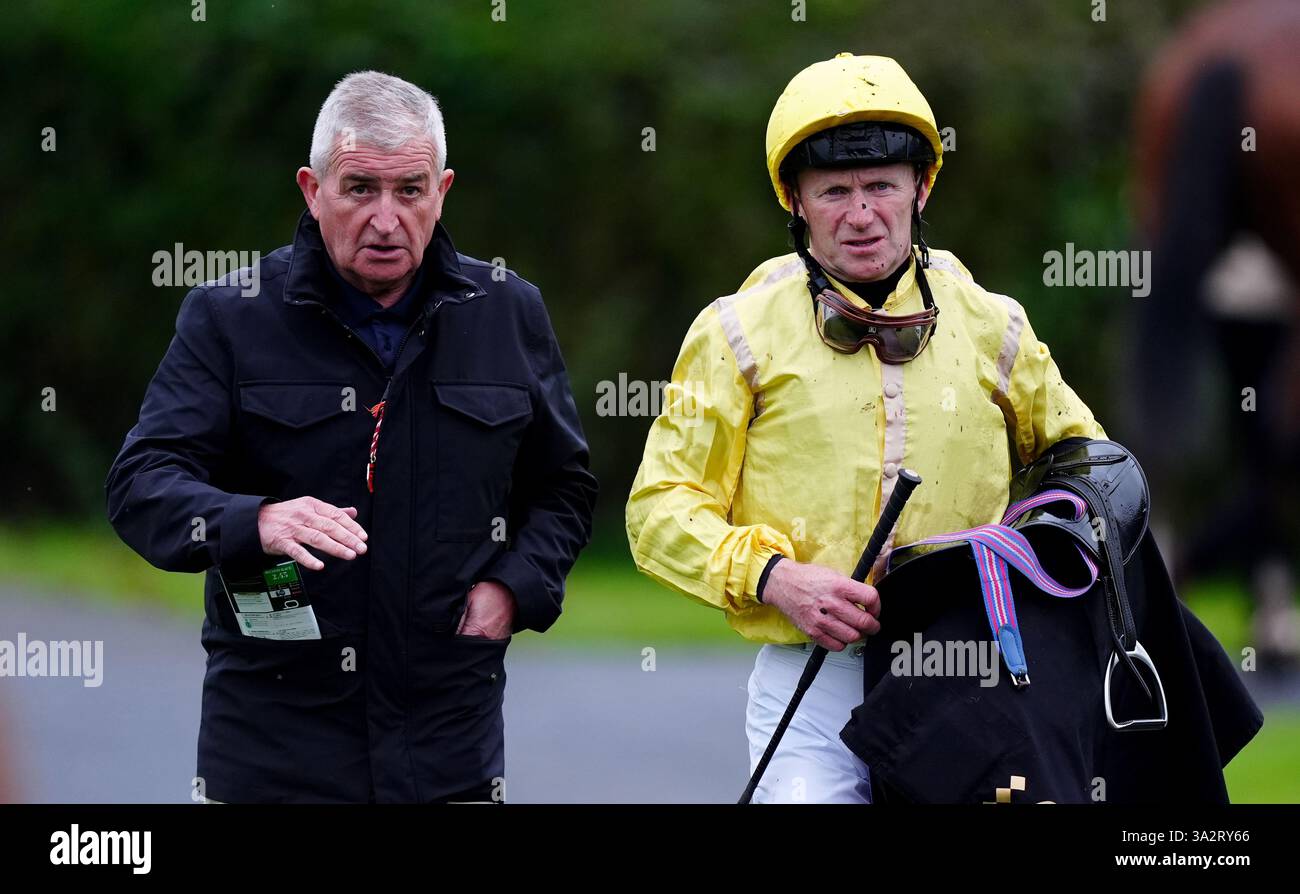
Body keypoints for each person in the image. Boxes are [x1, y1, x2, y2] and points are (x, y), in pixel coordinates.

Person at [626, 53, 1105, 804]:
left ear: (921, 188)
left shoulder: (993, 323)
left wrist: (1040, 563)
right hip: (811, 682)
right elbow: (658, 512)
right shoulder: (735, 332)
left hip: (968, 671)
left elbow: (1087, 468)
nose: (860, 213)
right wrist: (774, 579)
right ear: (796, 200)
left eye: (881, 185)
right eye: (835, 191)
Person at [106, 71, 597, 803]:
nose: (386, 219)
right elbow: (141, 485)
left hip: (448, 752)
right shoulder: (229, 317)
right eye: (359, 188)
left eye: (410, 190)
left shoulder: (506, 312)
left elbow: (564, 488)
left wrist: (512, 589)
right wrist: (256, 521)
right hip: (273, 752)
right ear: (311, 189)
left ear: (443, 191)